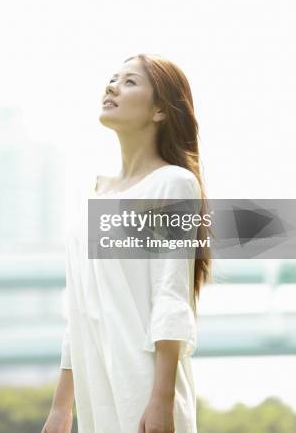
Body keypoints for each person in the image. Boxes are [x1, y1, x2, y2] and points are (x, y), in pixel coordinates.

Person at [41, 53, 212, 433]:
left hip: (144, 389)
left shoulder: (173, 184)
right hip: (97, 393)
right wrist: (61, 408)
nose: (112, 86)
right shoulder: (96, 196)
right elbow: (82, 310)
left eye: (130, 82)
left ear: (160, 111)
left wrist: (161, 400)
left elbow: (170, 297)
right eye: (112, 78)